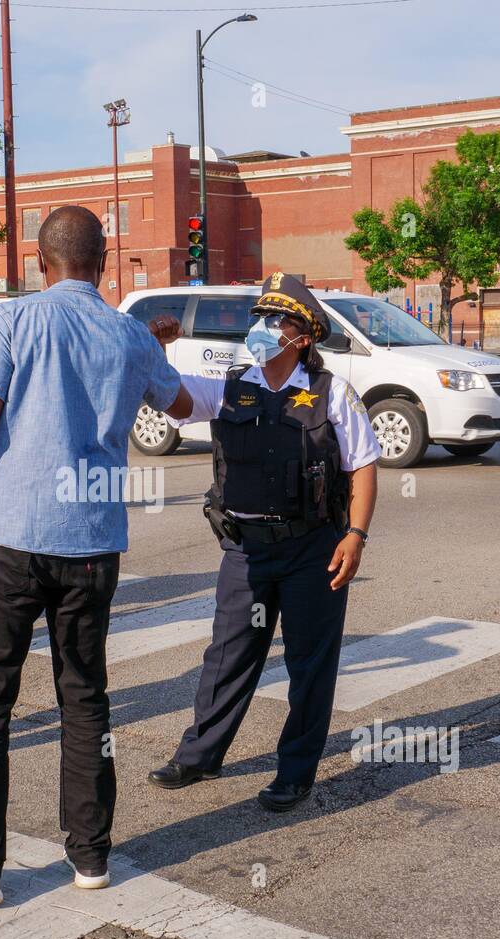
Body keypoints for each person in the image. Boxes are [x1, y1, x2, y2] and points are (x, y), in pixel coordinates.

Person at [0, 205, 194, 907]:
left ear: (41, 260)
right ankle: (91, 856)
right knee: (85, 697)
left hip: (11, 535)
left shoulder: (8, 320)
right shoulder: (128, 335)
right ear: (102, 260)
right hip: (92, 543)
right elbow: (182, 407)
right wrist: (151, 349)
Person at [147, 272, 379, 812]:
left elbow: (364, 466)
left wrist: (356, 536)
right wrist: (152, 352)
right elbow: (173, 401)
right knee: (228, 654)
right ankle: (200, 755)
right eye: (263, 319)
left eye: (280, 321)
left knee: (309, 662)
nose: (266, 328)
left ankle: (295, 772)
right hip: (245, 549)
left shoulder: (331, 392)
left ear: (304, 336)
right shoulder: (230, 386)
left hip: (312, 548)